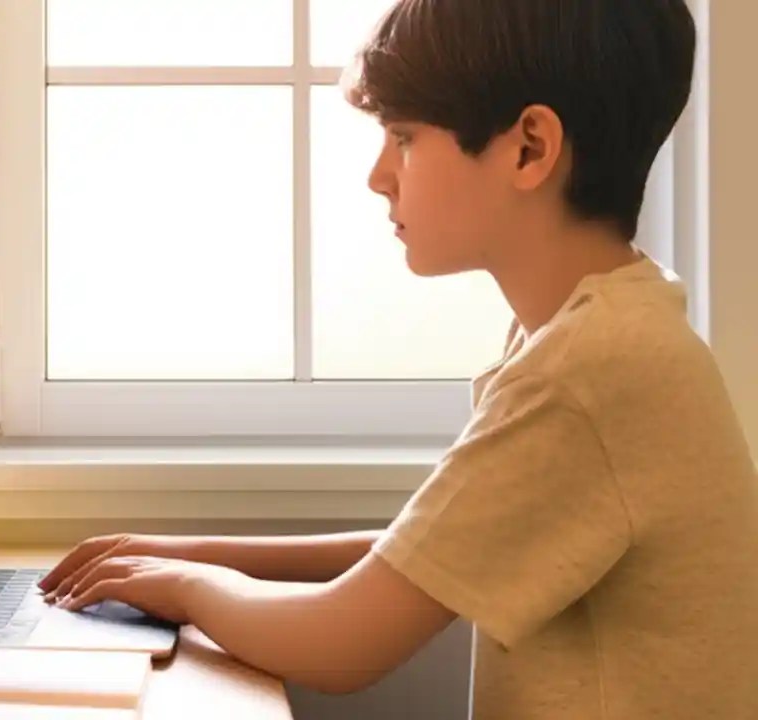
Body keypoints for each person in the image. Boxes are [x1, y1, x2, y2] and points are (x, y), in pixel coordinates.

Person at [38, 1, 758, 717]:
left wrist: (183, 587)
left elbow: (341, 643)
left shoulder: (590, 371)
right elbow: (425, 554)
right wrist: (196, 554)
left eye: (404, 137)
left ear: (529, 148)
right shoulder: (606, 326)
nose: (379, 175)